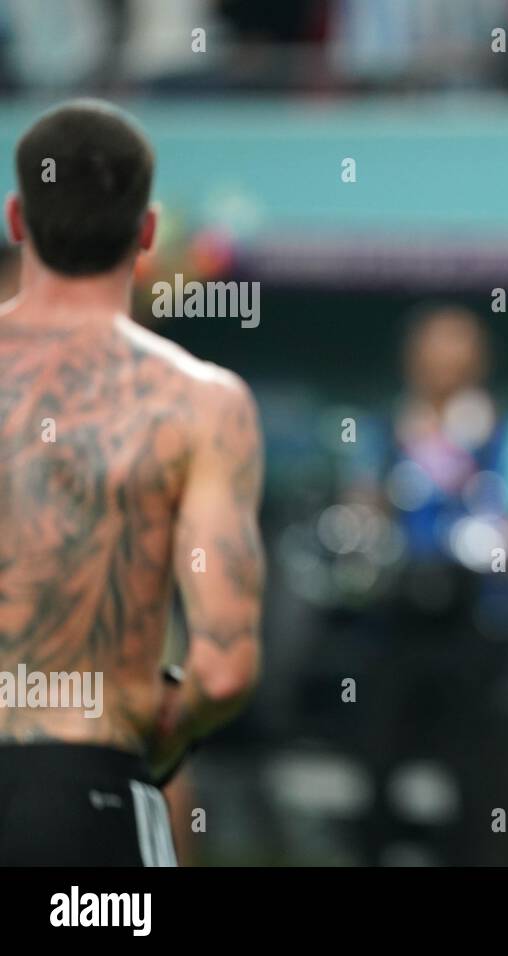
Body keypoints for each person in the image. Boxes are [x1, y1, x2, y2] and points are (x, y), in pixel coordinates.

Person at [0, 99, 264, 865]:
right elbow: (223, 667)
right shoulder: (200, 402)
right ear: (146, 233)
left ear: (17, 218)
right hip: (85, 792)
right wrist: (153, 735)